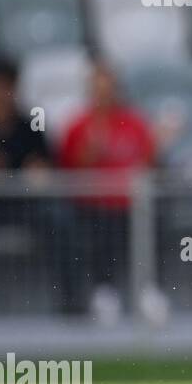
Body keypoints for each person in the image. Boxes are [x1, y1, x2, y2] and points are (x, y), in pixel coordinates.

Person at [56, 61, 157, 318]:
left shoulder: (134, 122)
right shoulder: (78, 125)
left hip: (131, 204)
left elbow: (149, 162)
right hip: (93, 205)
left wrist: (161, 143)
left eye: (108, 88)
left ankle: (148, 289)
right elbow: (68, 171)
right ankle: (104, 291)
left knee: (155, 220)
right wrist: (89, 152)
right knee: (102, 230)